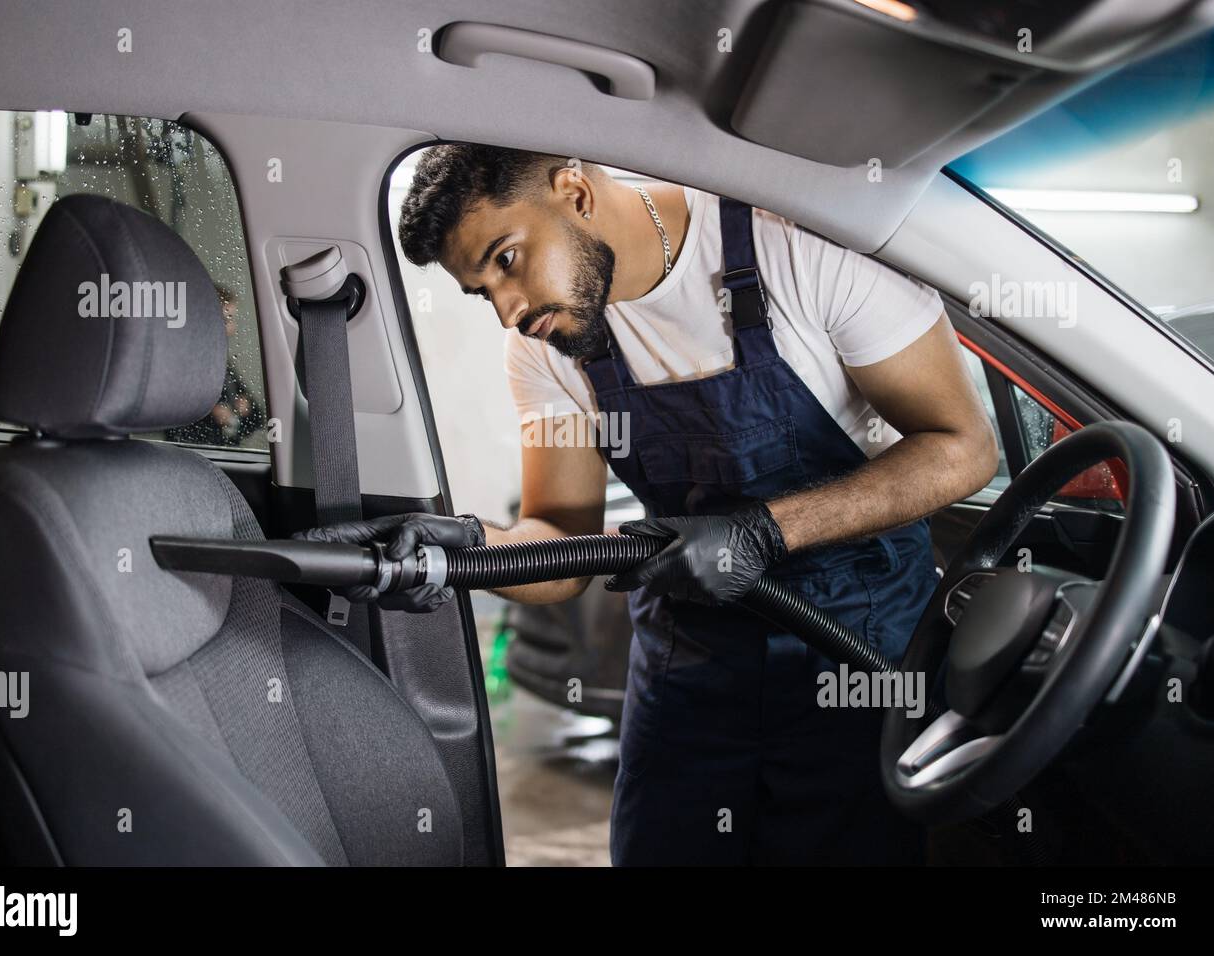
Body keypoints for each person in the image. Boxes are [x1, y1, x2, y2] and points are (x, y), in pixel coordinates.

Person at [299, 147, 999, 865]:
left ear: (573, 192)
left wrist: (763, 532)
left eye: (507, 260)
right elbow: (560, 542)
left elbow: (963, 447)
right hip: (692, 673)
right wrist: (463, 553)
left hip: (858, 656)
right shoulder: (550, 351)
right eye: (482, 292)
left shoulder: (798, 249)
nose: (508, 312)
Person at [166, 284, 266, 447]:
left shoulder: (223, 364)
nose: (232, 329)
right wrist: (210, 416)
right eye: (226, 320)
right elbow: (175, 425)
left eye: (232, 319)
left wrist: (243, 410)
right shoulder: (183, 365)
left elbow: (257, 418)